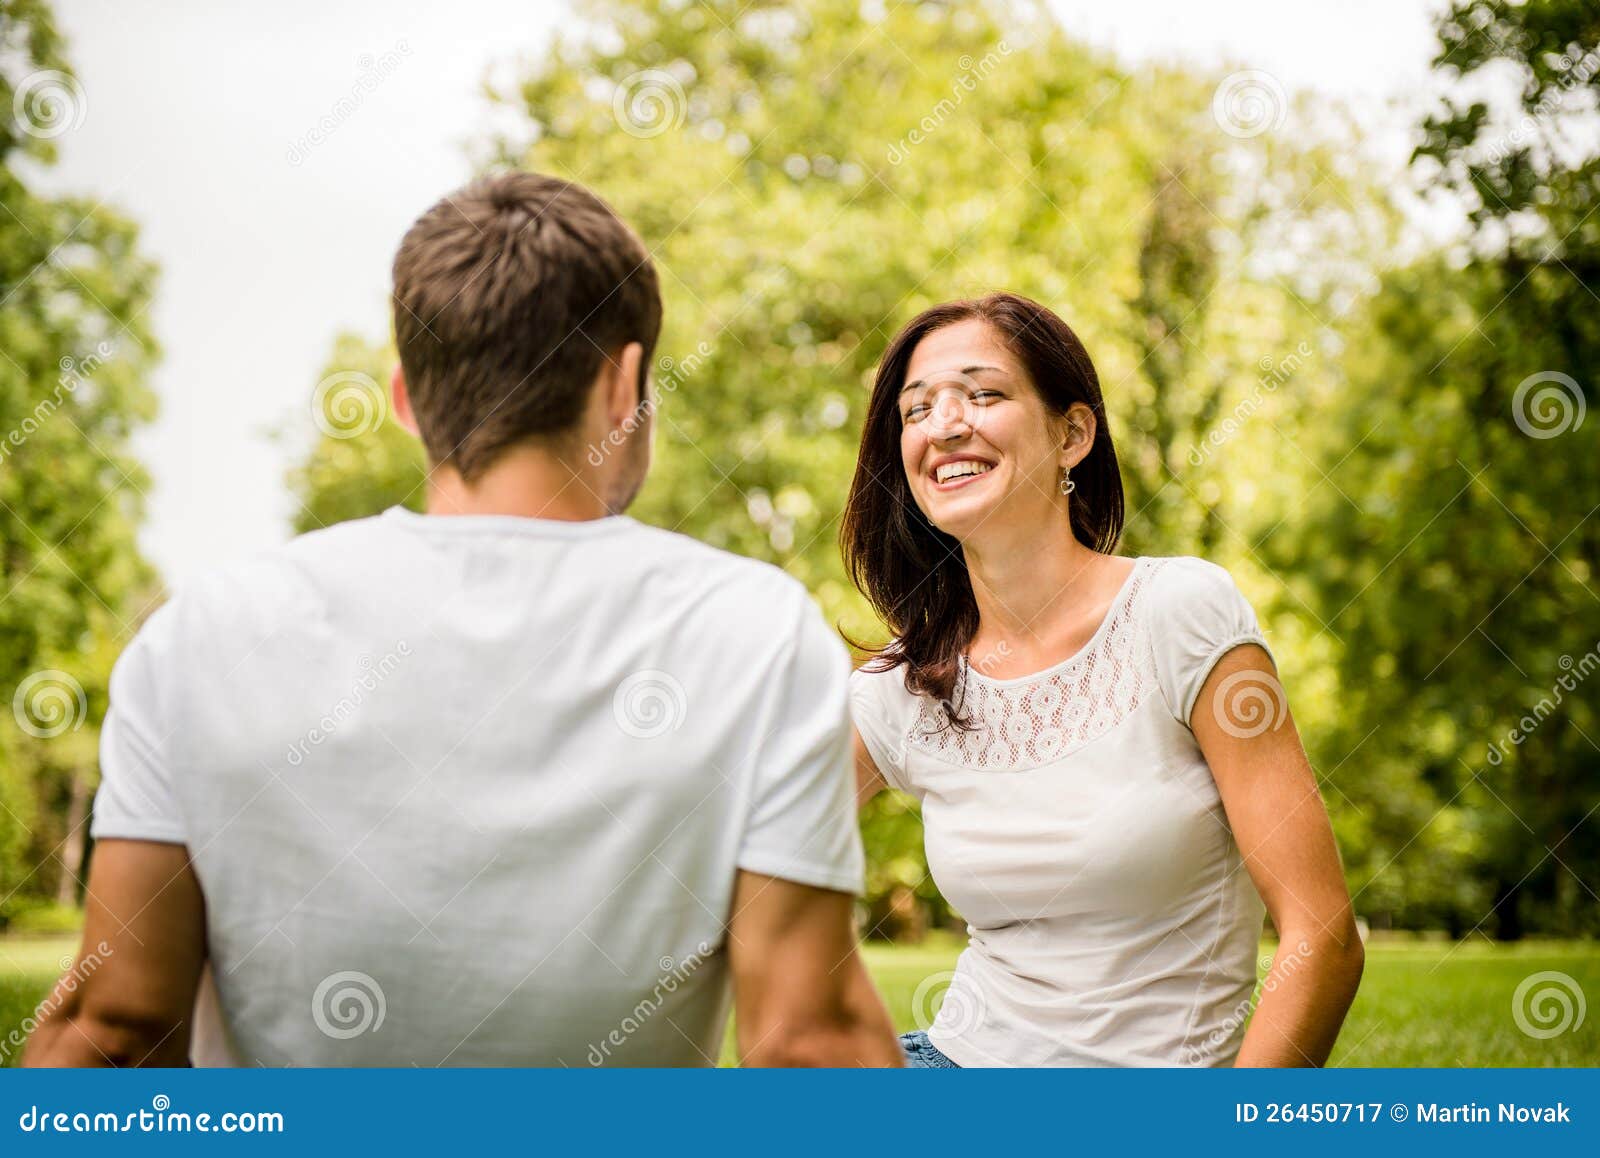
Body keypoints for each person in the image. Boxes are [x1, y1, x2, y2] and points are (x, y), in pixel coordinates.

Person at [24, 172, 900, 1068]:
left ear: (405, 397)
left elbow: (115, 1028)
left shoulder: (201, 631)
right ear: (623, 382)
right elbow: (808, 1044)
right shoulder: (753, 631)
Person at [843, 292, 1363, 1068]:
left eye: (984, 393)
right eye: (916, 411)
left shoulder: (1181, 614)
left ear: (1073, 433)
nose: (945, 423)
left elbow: (1323, 935)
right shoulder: (905, 686)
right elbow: (737, 865)